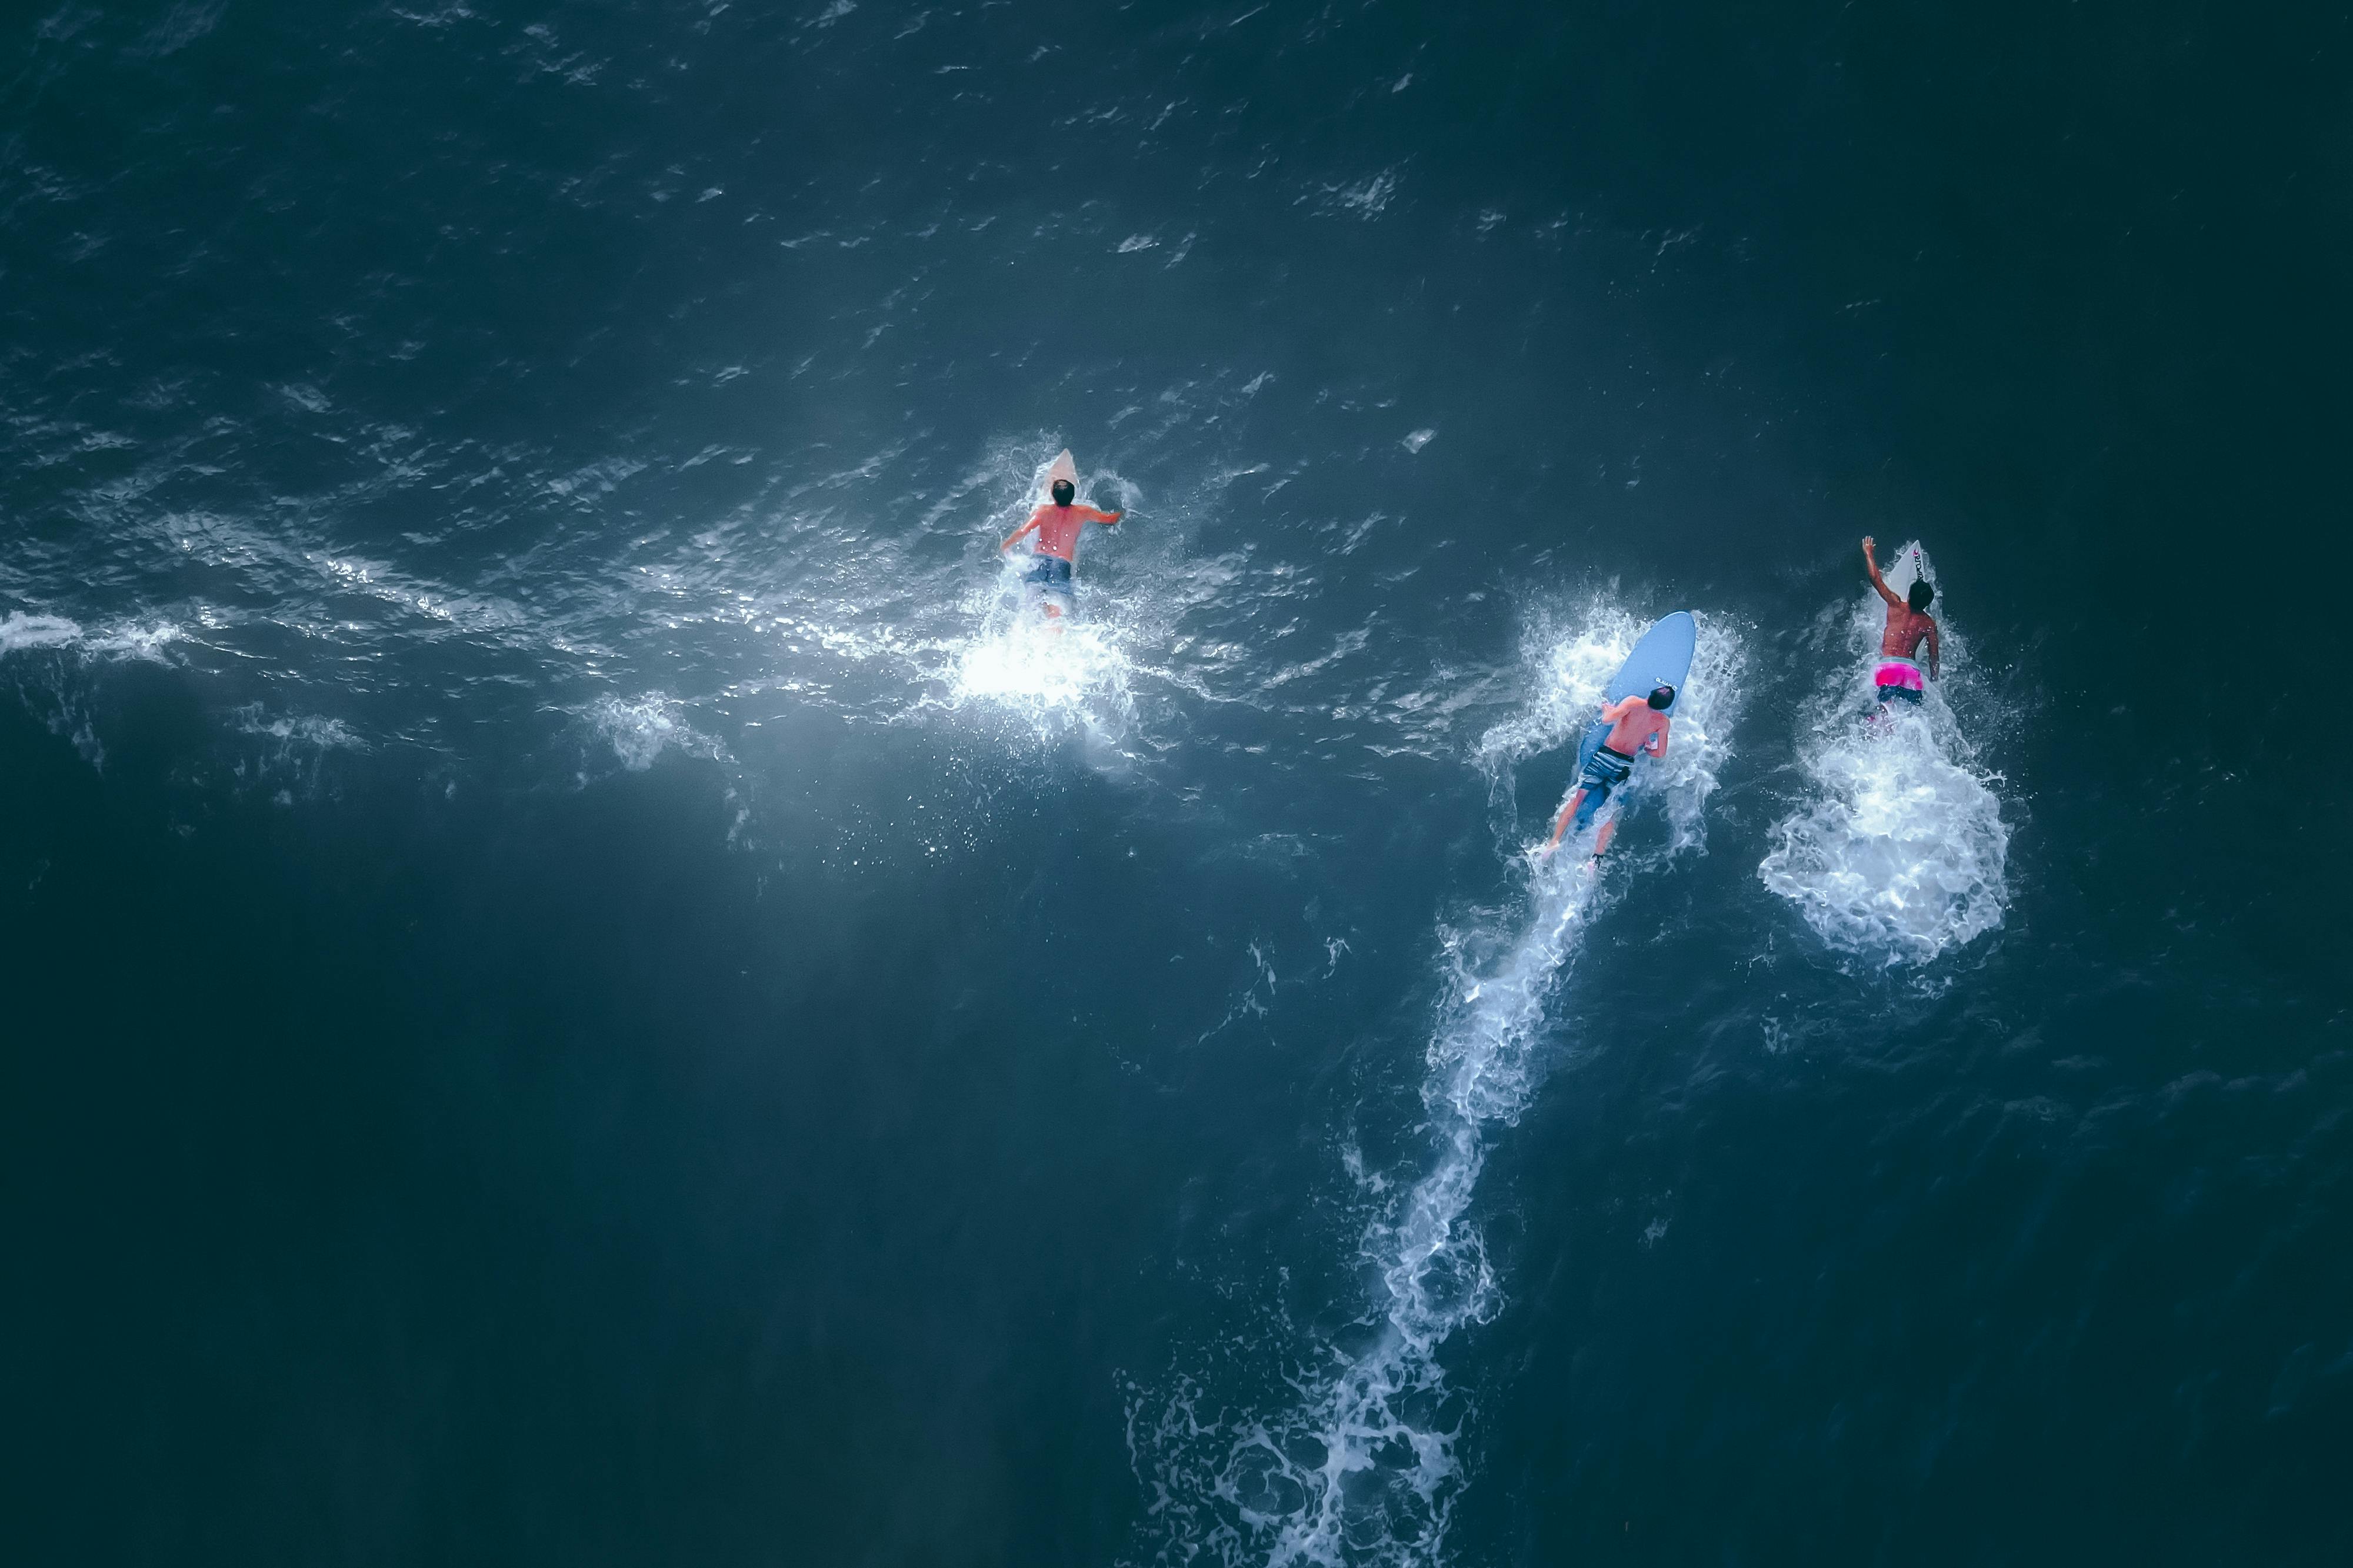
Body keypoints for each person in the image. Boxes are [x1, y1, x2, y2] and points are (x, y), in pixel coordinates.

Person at [1544, 683, 1674, 861]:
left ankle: (1555, 841)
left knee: (1578, 799)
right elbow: (1660, 753)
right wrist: (1647, 746)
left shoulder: (1634, 702)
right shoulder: (1663, 722)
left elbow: (1608, 719)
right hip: (1623, 766)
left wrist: (1607, 708)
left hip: (1604, 757)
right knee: (1610, 810)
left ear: (1651, 694)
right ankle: (1597, 856)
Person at [999, 450, 1124, 622]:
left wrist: (1006, 545)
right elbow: (1108, 520)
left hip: (1039, 561)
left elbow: (1023, 532)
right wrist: (1123, 512)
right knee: (1055, 613)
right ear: (1074, 497)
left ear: (1052, 495)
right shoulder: (1083, 512)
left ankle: (1014, 641)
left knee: (1026, 611)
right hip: (1061, 565)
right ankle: (1050, 644)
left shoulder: (1042, 511)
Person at [1861, 535, 1939, 708]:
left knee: (1885, 713)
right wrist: (1934, 680)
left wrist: (1869, 553)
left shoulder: (1896, 605)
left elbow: (1875, 579)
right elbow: (1934, 656)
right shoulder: (1929, 624)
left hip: (1889, 668)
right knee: (1912, 717)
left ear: (1909, 595)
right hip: (1912, 673)